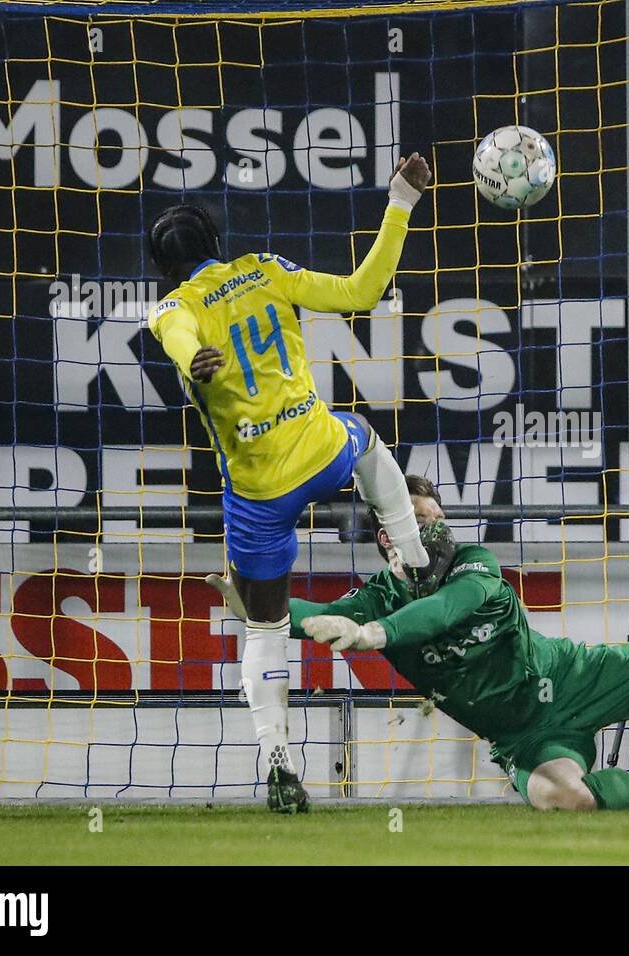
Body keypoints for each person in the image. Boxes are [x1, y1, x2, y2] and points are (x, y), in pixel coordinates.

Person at [211, 475, 629, 810]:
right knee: (565, 802)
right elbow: (291, 613)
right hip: (526, 739)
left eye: (434, 516)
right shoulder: (373, 600)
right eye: (412, 521)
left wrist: (375, 635)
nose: (430, 529)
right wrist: (252, 594)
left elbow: (448, 610)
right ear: (384, 537)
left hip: (580, 678)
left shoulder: (473, 567)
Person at [144, 153, 442, 813]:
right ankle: (417, 561)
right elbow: (364, 292)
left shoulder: (173, 307)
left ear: (164, 269)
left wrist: (192, 359)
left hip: (255, 492)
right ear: (217, 245)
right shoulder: (265, 270)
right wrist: (401, 199)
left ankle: (278, 761)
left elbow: (176, 332)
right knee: (367, 444)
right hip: (317, 445)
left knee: (264, 628)